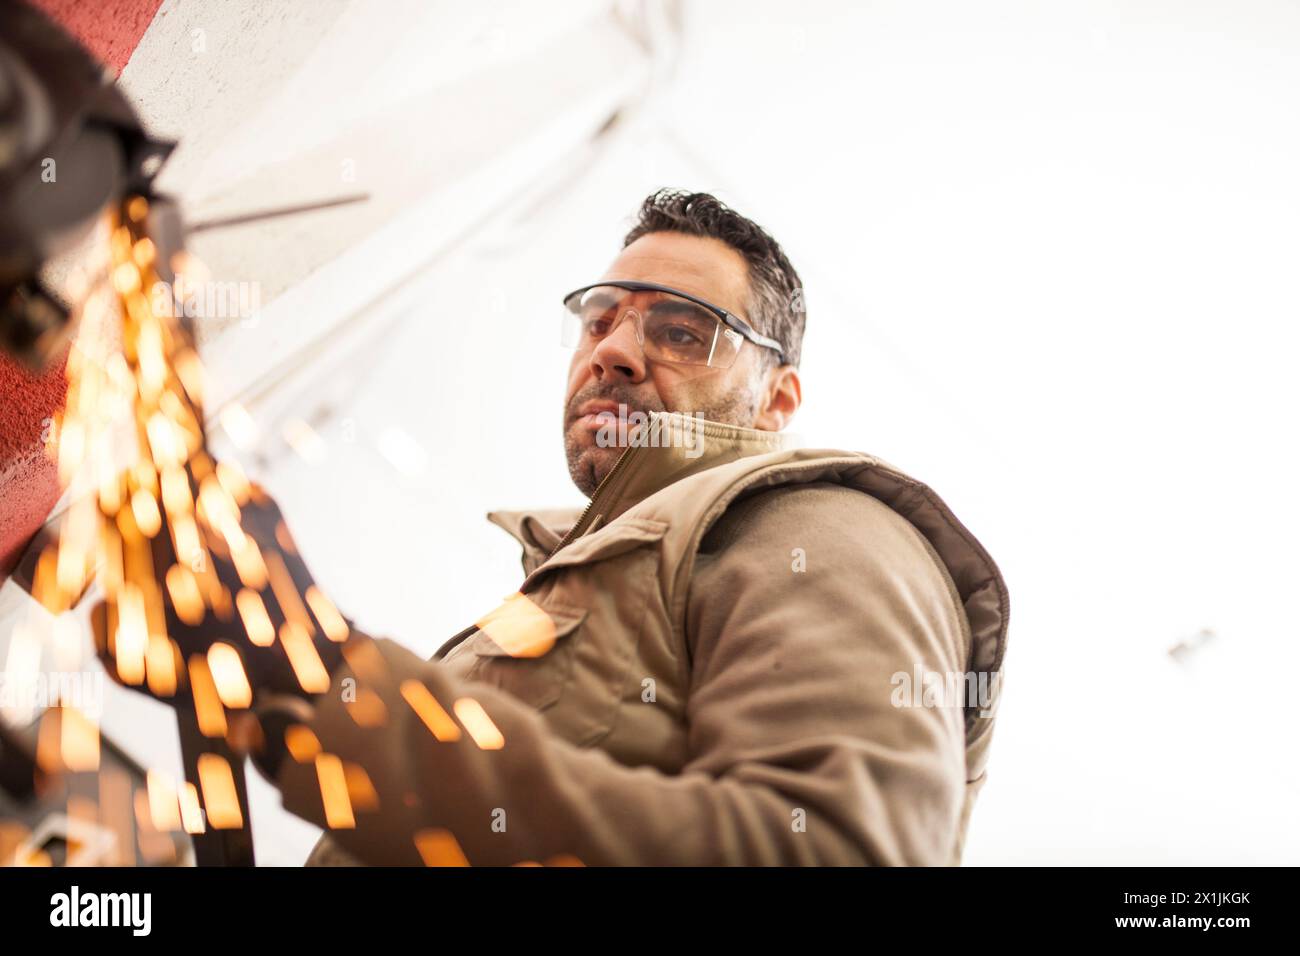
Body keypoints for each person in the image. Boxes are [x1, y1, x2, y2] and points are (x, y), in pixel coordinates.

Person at [121, 188, 1010, 866]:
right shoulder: (564, 586)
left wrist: (322, 689)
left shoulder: (823, 523)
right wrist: (255, 680)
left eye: (681, 330)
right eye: (601, 319)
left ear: (777, 400)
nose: (613, 350)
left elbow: (826, 851)